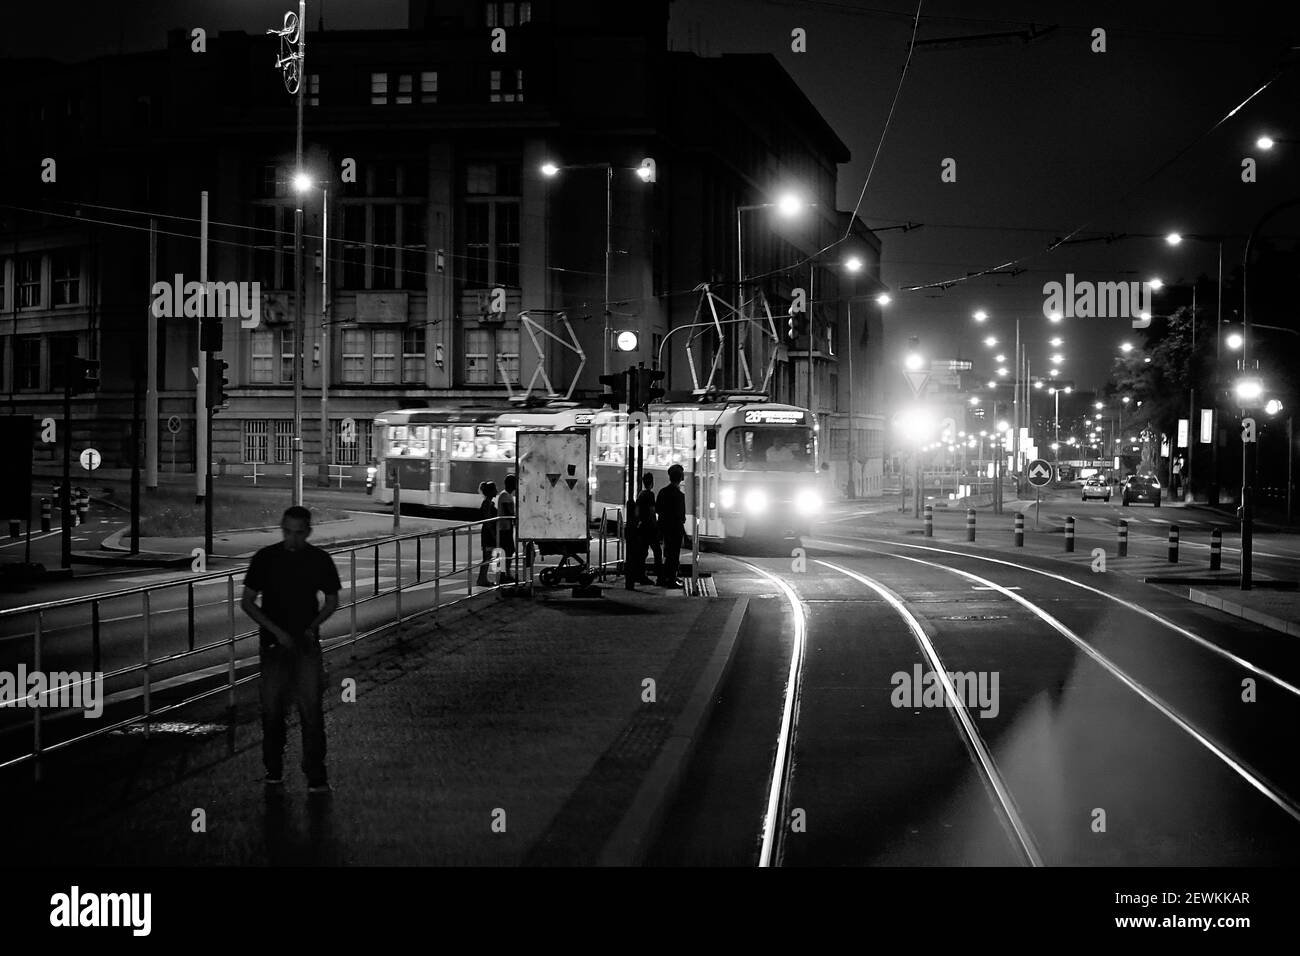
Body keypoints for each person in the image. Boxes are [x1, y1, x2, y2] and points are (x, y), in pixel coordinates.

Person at [240, 506, 342, 794]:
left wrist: (311, 628)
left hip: (303, 644)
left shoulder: (318, 559)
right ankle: (275, 770)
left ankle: (314, 775)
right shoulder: (266, 558)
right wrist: (278, 632)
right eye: (287, 532)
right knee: (274, 711)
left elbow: (332, 600)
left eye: (298, 533)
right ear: (282, 528)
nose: (292, 539)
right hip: (275, 645)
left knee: (309, 711)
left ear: (308, 531)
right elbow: (247, 601)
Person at [656, 463, 687, 589]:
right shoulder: (680, 496)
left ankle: (665, 577)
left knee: (667, 553)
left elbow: (657, 509)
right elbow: (682, 517)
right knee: (674, 555)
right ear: (680, 478)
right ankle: (671, 578)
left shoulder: (663, 492)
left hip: (665, 527)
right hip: (676, 529)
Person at [636, 472, 661, 585]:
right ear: (652, 483)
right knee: (657, 551)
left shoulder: (640, 494)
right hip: (650, 527)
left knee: (642, 553)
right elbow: (652, 511)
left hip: (642, 526)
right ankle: (659, 575)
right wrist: (655, 525)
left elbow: (637, 512)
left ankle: (641, 575)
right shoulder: (650, 495)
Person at [496, 474, 517, 584]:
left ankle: (506, 573)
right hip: (504, 528)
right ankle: (503, 575)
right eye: (514, 482)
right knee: (506, 551)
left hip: (506, 527)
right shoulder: (505, 495)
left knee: (509, 551)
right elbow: (509, 511)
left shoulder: (507, 495)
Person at [477, 480, 498, 587]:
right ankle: (481, 579)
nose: (497, 491)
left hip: (488, 533)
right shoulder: (487, 504)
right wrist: (493, 534)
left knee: (488, 557)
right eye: (495, 489)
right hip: (488, 534)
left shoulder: (489, 503)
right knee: (487, 556)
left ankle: (483, 578)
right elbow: (487, 520)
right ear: (490, 491)